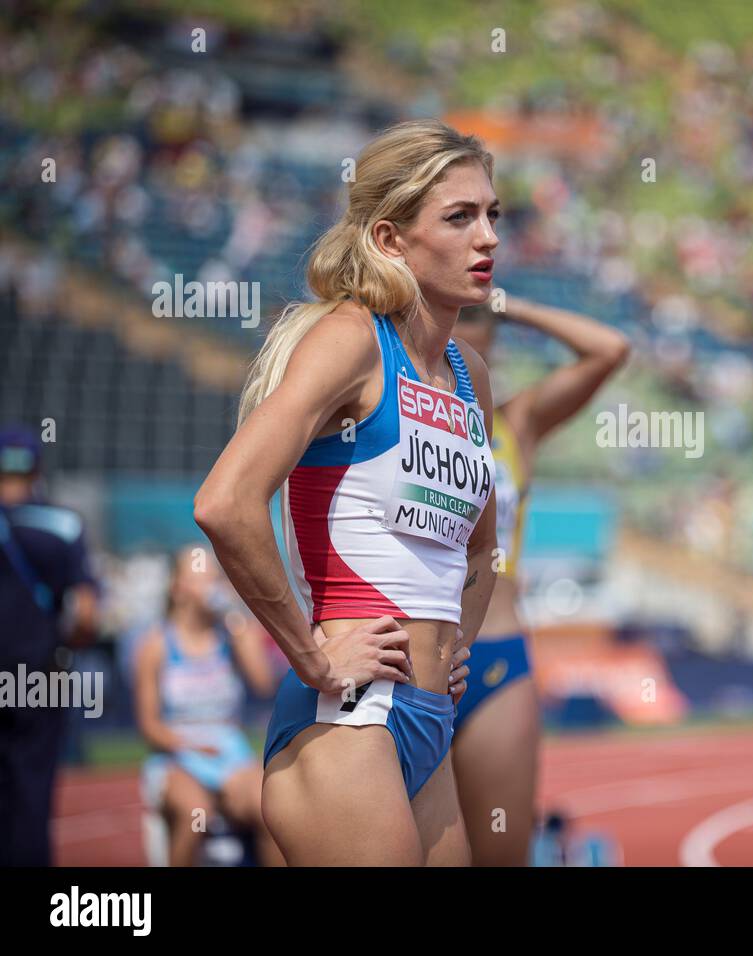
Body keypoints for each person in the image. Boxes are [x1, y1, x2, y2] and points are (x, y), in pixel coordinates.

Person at [194, 119, 496, 865]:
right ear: (391, 239)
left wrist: (458, 638)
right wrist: (311, 656)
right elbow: (225, 503)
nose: (487, 237)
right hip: (344, 721)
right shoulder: (352, 340)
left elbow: (484, 551)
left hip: (430, 718)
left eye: (494, 214)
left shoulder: (471, 378)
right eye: (459, 217)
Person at [451, 296, 628, 865]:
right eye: (447, 310)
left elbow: (609, 350)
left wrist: (508, 301)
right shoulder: (392, 411)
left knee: (501, 851)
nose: (462, 324)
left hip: (497, 656)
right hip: (409, 658)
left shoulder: (515, 423)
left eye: (475, 316)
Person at [134, 546, 282, 865]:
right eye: (201, 575)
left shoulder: (229, 635)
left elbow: (263, 682)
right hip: (178, 757)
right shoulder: (156, 645)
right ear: (178, 588)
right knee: (194, 813)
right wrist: (193, 746)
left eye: (215, 577)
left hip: (229, 754)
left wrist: (237, 620)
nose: (212, 582)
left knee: (271, 808)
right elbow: (149, 727)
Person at [0, 425, 99, 866]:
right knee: (30, 795)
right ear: (36, 468)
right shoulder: (60, 524)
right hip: (36, 679)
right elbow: (85, 614)